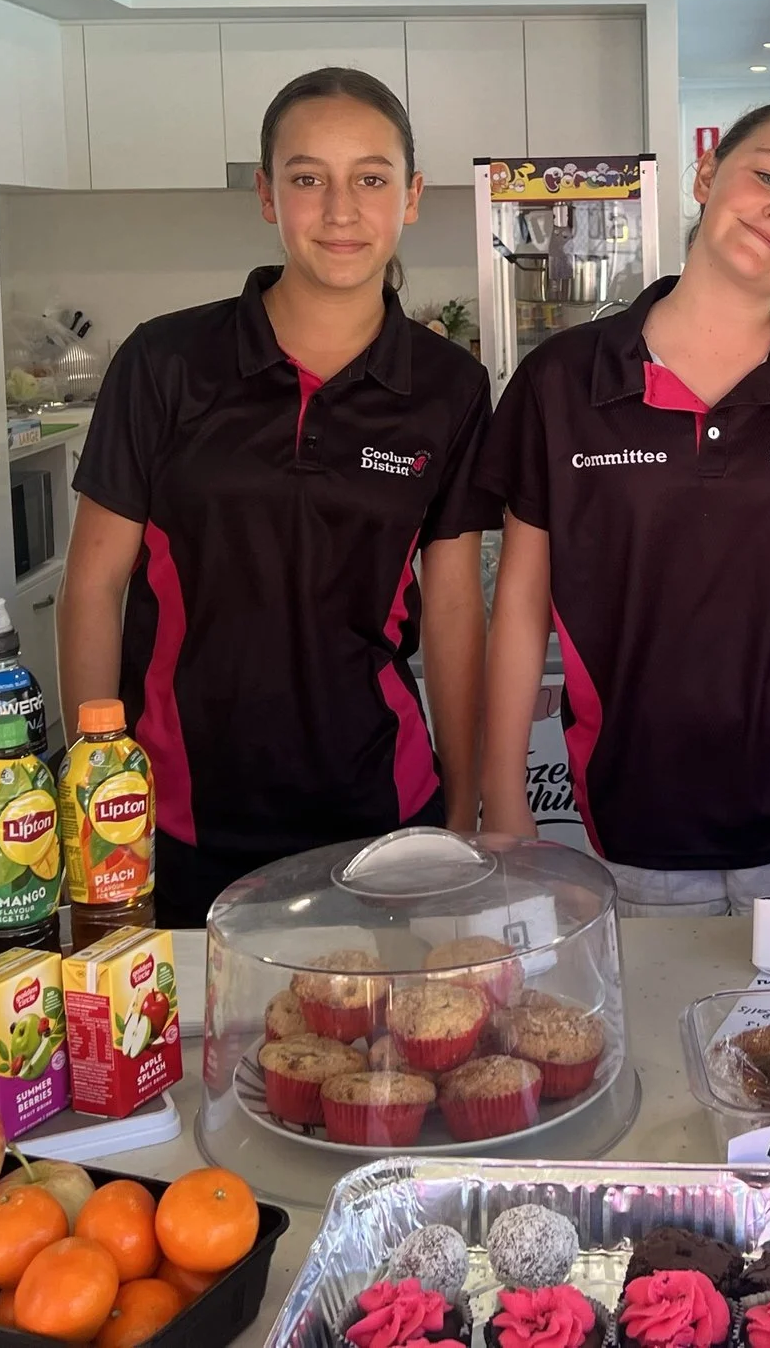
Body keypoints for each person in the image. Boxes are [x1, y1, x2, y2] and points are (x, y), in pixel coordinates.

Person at [60, 67, 495, 925]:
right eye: (308, 178)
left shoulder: (448, 388)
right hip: (178, 821)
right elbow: (93, 587)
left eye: (370, 178)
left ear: (410, 195)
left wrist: (464, 804)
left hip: (382, 817)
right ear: (266, 194)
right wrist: (93, 797)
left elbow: (451, 607)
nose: (341, 209)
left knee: (382, 1055)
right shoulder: (165, 363)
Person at [478, 103, 770, 915]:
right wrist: (503, 795)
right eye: (767, 175)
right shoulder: (564, 378)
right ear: (706, 175)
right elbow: (521, 600)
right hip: (635, 821)